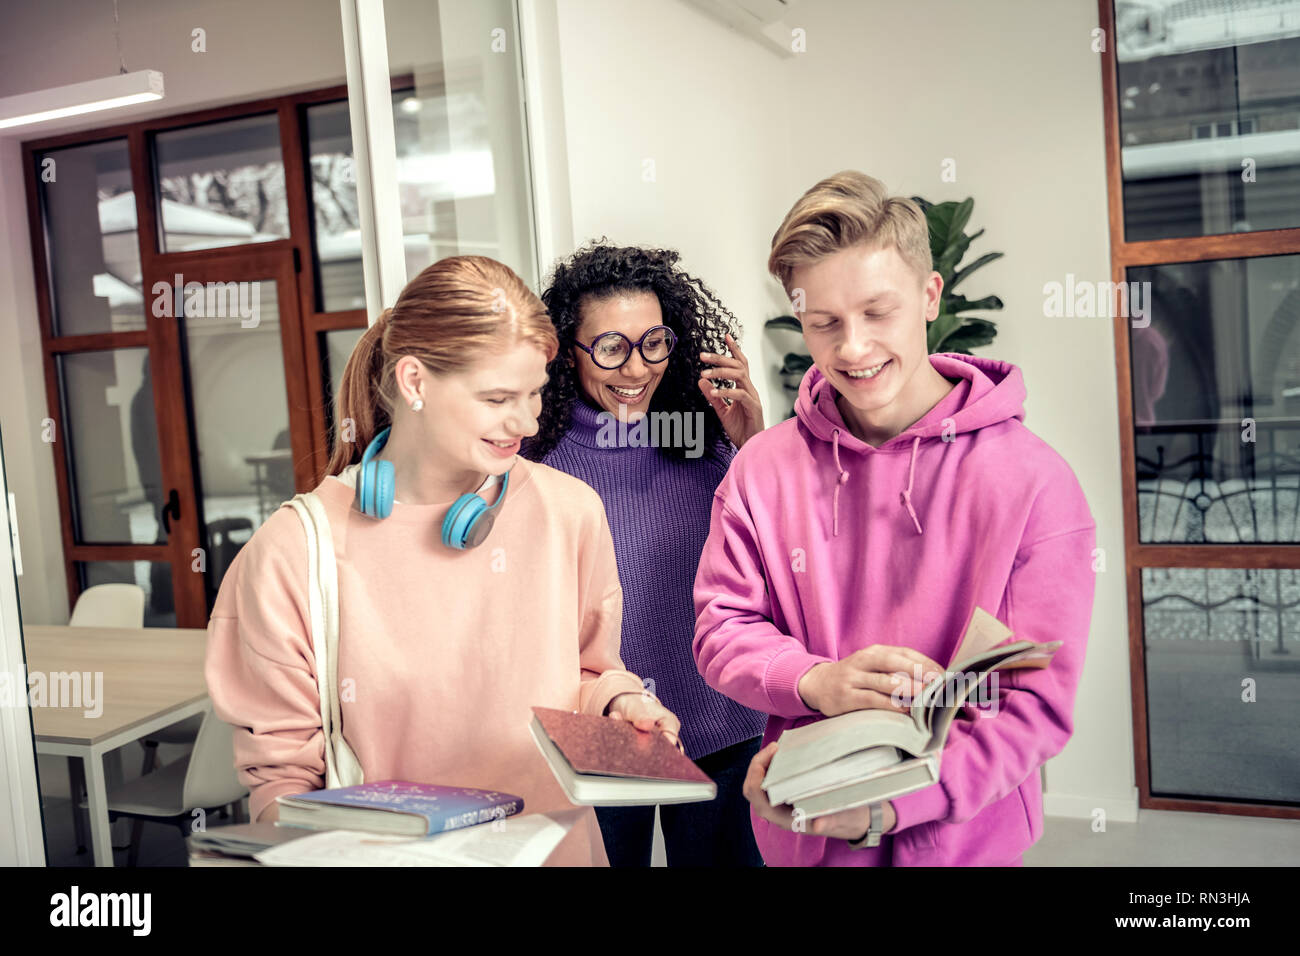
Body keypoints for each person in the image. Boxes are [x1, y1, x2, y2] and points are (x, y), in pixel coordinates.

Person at [205, 255, 680, 867]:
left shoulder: (569, 511)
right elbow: (282, 785)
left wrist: (621, 705)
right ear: (415, 382)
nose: (527, 421)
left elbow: (587, 674)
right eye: (498, 397)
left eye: (534, 393)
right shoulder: (293, 550)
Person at [693, 171, 1097, 866]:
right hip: (803, 834)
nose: (852, 348)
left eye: (878, 313)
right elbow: (721, 628)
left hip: (966, 845)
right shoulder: (760, 469)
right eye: (824, 323)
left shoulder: (1037, 483)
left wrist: (887, 807)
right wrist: (814, 680)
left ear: (930, 295)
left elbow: (1031, 704)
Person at [523, 241, 768, 866]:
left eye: (653, 343)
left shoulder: (707, 439)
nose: (636, 370)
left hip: (721, 724)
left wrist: (754, 445)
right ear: (565, 354)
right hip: (600, 732)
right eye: (609, 348)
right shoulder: (531, 464)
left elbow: (783, 566)